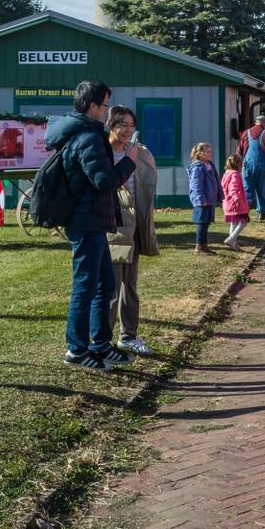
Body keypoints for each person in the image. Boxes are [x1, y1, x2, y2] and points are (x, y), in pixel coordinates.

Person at [46, 79, 136, 371]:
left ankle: (100, 344)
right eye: (105, 105)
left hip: (93, 219)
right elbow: (104, 181)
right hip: (85, 220)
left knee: (105, 284)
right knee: (85, 286)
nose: (107, 111)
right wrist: (129, 162)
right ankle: (76, 348)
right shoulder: (87, 138)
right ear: (93, 106)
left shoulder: (88, 134)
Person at [107, 105, 160, 356]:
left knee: (130, 285)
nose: (127, 130)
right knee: (111, 288)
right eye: (122, 124)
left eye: (131, 125)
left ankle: (128, 336)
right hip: (113, 227)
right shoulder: (103, 153)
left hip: (135, 226)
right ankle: (103, 341)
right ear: (110, 125)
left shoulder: (138, 153)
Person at [238, 114, 265, 219]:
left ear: (255, 122)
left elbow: (239, 150)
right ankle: (262, 213)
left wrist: (237, 165)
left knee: (247, 189)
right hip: (262, 165)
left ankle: (244, 212)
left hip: (247, 165)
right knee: (262, 189)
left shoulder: (246, 133)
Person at [187, 142, 222, 254]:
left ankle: (204, 245)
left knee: (206, 223)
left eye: (210, 151)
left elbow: (215, 180)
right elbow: (196, 185)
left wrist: (218, 195)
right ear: (200, 153)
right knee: (201, 223)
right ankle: (199, 246)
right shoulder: (198, 168)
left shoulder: (209, 165)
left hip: (209, 199)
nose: (210, 153)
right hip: (202, 201)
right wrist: (200, 199)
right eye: (208, 152)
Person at [220, 153, 250, 251]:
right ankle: (231, 238)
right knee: (244, 221)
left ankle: (233, 243)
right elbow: (233, 188)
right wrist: (237, 198)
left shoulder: (226, 174)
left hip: (228, 202)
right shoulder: (235, 175)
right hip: (236, 203)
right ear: (238, 164)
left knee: (234, 222)